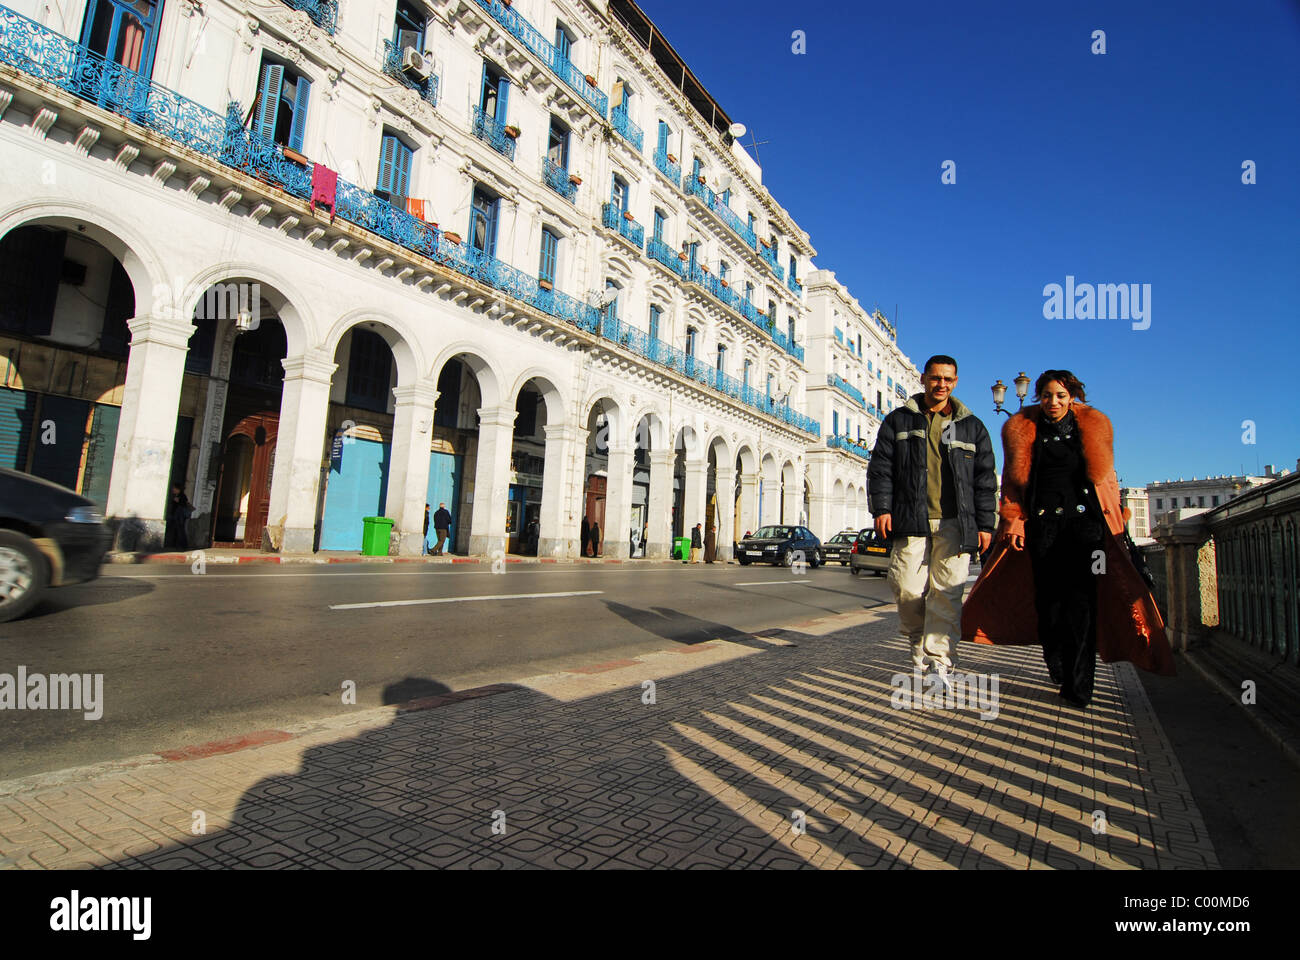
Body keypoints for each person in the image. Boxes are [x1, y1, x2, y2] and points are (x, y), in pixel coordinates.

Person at [962, 370, 1175, 706]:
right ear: (1039, 397)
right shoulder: (1022, 429)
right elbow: (1015, 487)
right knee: (1049, 607)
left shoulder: (1092, 426)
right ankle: (1057, 661)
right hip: (1043, 528)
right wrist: (1014, 521)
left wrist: (1118, 520)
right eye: (1047, 395)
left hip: (1086, 529)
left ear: (1072, 396)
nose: (1053, 402)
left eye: (1061, 396)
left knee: (1082, 607)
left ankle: (1079, 687)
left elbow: (1107, 482)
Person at [868, 354, 997, 684]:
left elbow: (985, 480)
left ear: (955, 382)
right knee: (906, 587)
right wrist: (882, 509)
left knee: (946, 593)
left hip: (956, 522)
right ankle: (917, 641)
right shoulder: (898, 421)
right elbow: (881, 468)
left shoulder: (972, 426)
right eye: (935, 378)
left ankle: (940, 658)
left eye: (948, 379)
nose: (941, 384)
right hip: (911, 518)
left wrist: (986, 525)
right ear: (923, 379)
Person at [166, 483, 192, 551]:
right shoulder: (177, 496)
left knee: (180, 531)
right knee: (178, 530)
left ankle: (183, 545)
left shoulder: (182, 496)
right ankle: (176, 545)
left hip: (179, 517)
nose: (173, 489)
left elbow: (183, 505)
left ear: (178, 489)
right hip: (176, 516)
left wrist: (178, 501)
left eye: (174, 488)